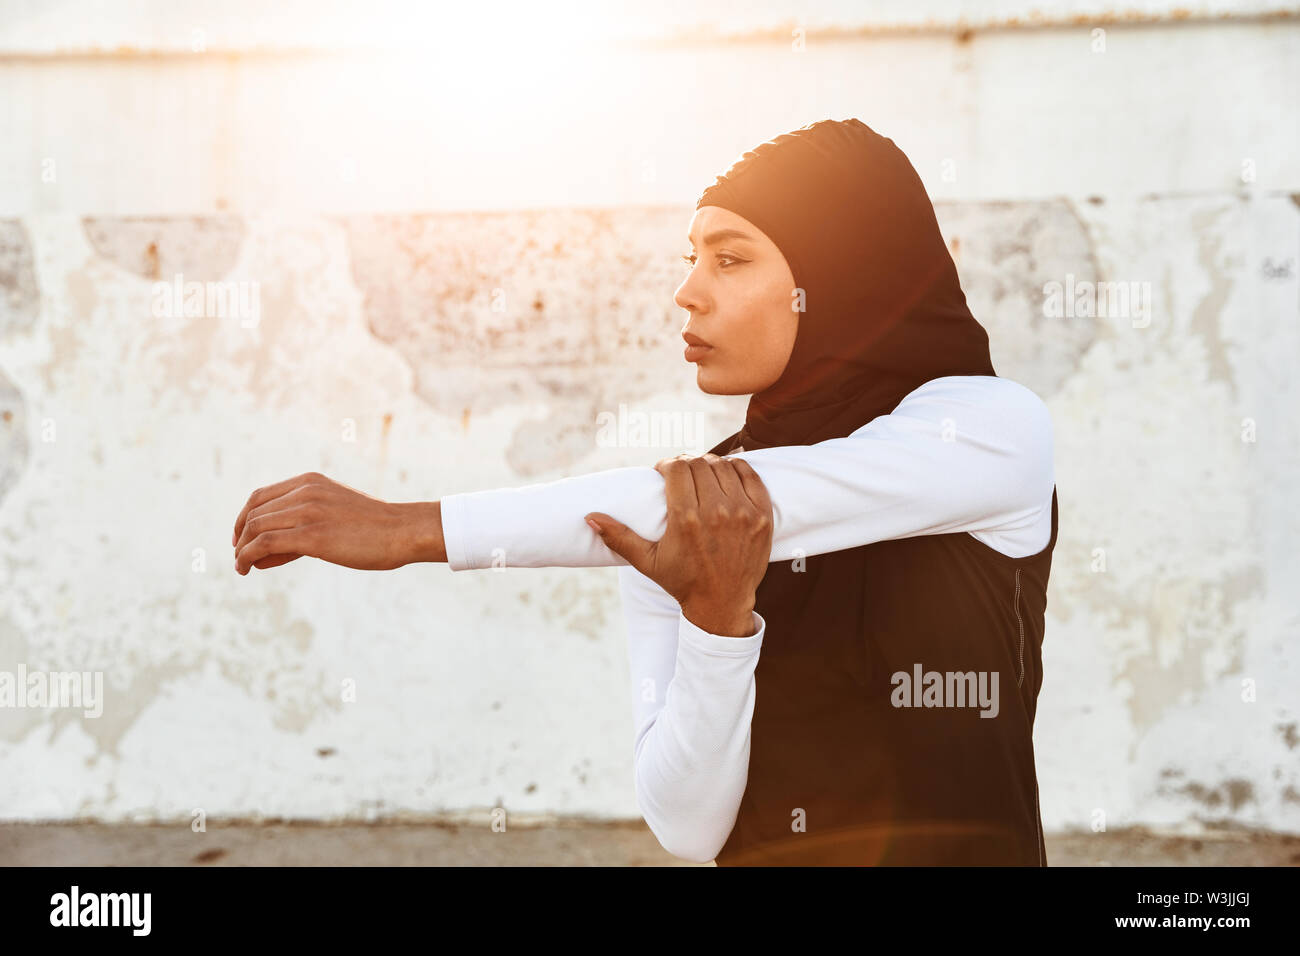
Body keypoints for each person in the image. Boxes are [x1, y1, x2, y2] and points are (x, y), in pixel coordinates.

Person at [232, 118, 1057, 866]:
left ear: (843, 271)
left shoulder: (987, 428)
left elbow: (752, 502)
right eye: (691, 259)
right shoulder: (678, 516)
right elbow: (689, 828)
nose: (687, 292)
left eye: (730, 259)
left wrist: (412, 530)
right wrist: (716, 627)